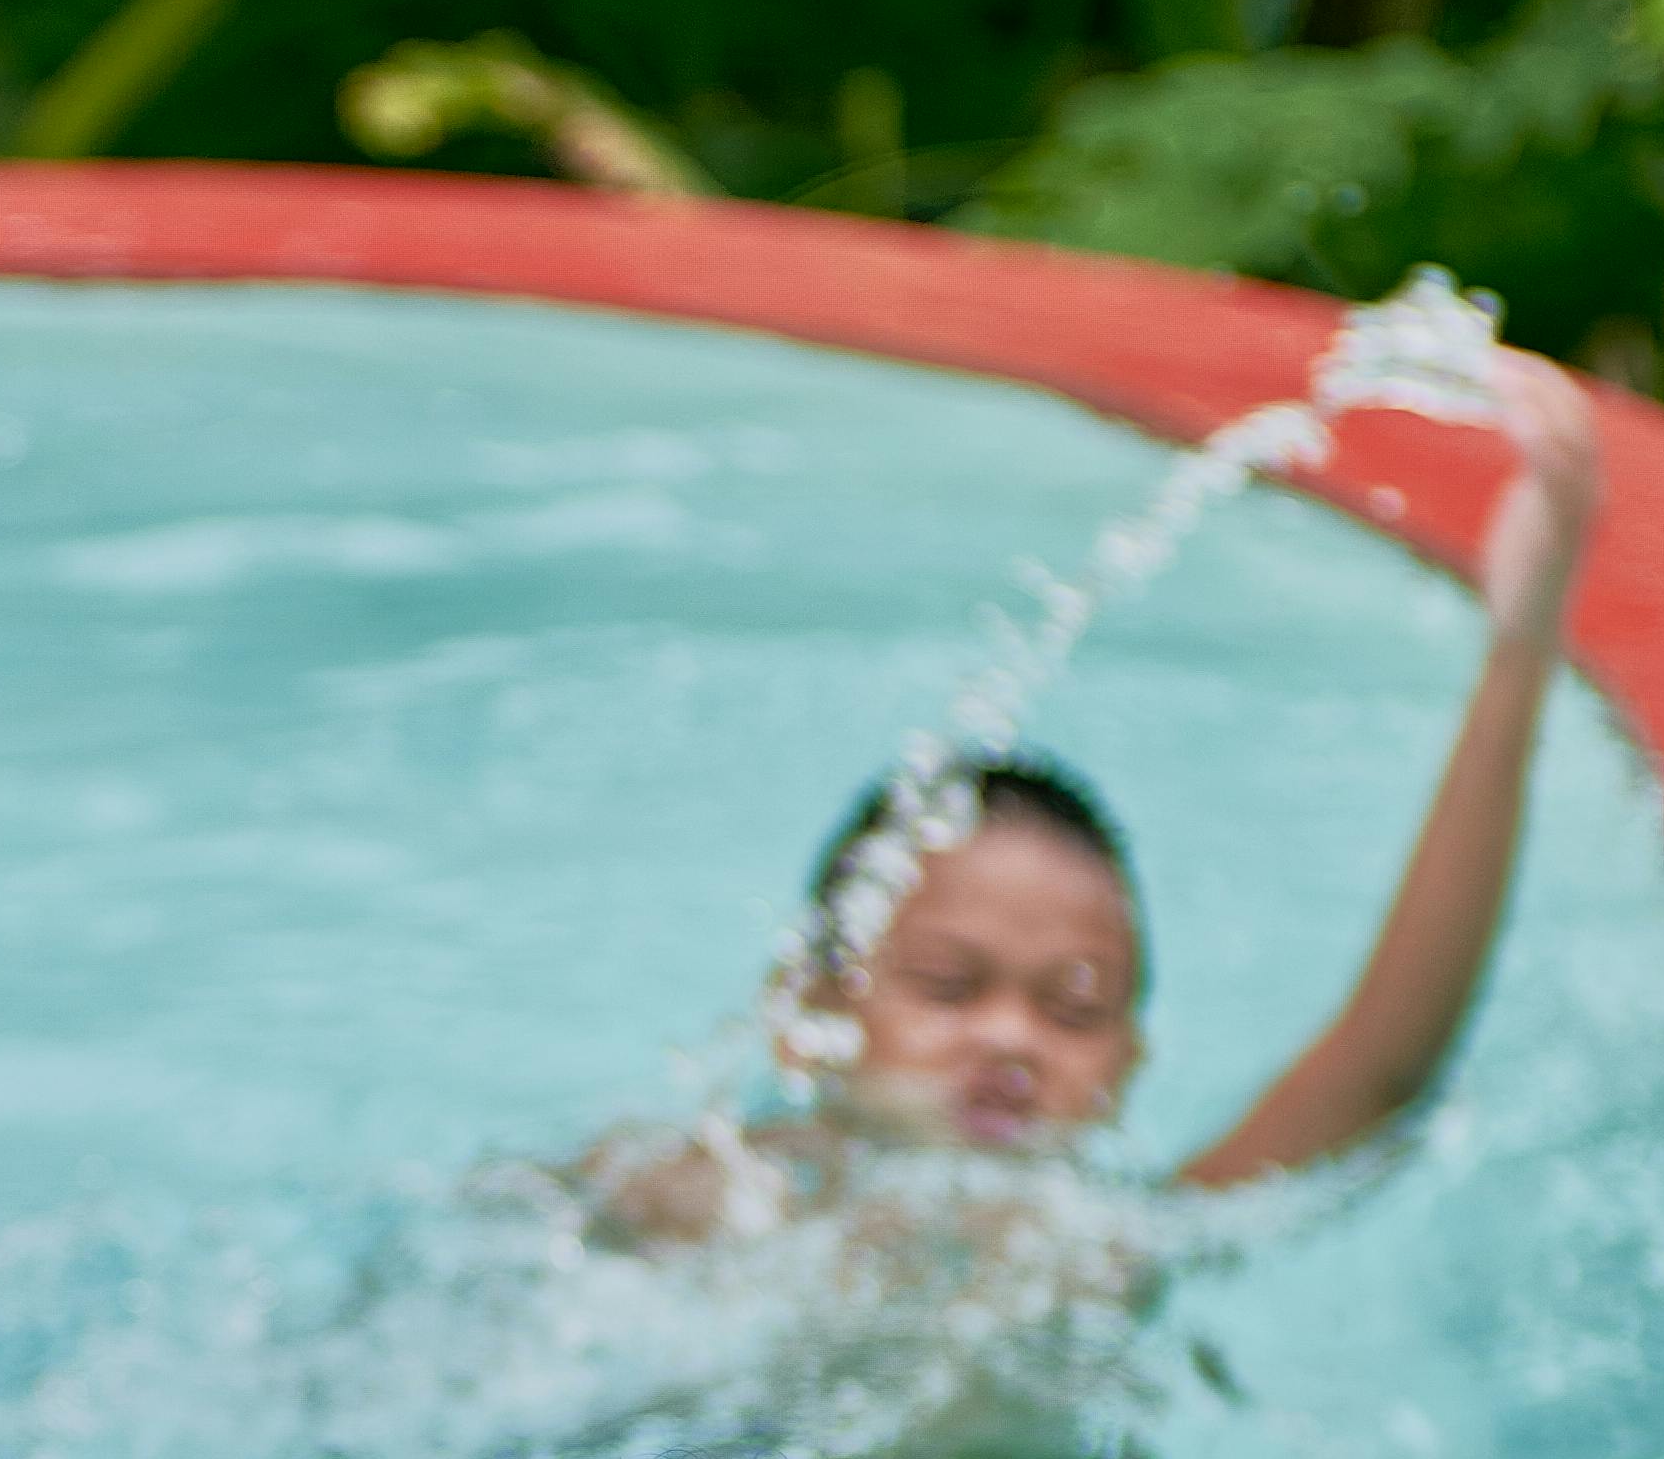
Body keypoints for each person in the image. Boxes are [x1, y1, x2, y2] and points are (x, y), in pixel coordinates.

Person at [590, 357, 1599, 1232]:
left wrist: (1520, 646)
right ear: (804, 1005)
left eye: (1073, 1011)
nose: (1009, 1040)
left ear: (1127, 1064)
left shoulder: (1104, 1246)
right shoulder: (686, 1198)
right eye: (946, 985)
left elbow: (1380, 1078)